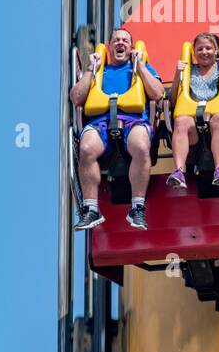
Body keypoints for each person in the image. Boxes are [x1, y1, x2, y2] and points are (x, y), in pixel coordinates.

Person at [69, 28, 165, 230]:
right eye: (116, 40)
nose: (120, 43)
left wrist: (141, 67)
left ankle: (137, 208)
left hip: (134, 121)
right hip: (100, 124)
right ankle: (91, 209)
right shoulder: (99, 70)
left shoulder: (141, 67)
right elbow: (76, 97)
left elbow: (158, 94)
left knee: (140, 145)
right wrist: (90, 69)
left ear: (131, 47)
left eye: (125, 41)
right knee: (86, 148)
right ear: (110, 46)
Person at [168, 32, 219, 189]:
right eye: (200, 49)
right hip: (194, 121)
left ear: (216, 51)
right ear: (194, 52)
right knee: (181, 121)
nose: (204, 52)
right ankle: (179, 172)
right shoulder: (189, 71)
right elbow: (173, 100)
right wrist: (177, 75)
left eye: (208, 48)